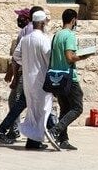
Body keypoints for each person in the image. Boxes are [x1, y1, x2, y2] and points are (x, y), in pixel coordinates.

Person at [12, 8, 56, 150]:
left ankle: (33, 140)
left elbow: (16, 56)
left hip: (28, 80)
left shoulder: (25, 39)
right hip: (41, 79)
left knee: (32, 109)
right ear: (43, 23)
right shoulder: (43, 39)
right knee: (43, 109)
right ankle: (36, 140)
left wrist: (27, 63)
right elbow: (50, 59)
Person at [49, 8, 92, 151]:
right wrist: (85, 55)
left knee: (65, 109)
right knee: (77, 108)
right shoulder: (70, 35)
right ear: (74, 20)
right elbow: (70, 57)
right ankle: (55, 130)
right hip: (69, 78)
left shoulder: (56, 35)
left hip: (57, 77)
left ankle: (63, 140)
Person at [0, 6, 34, 144]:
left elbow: (18, 55)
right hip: (27, 72)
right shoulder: (32, 31)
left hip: (23, 72)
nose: (18, 19)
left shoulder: (26, 32)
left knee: (17, 102)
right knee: (19, 102)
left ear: (27, 18)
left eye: (20, 17)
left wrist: (14, 75)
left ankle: (13, 130)